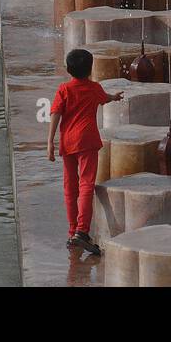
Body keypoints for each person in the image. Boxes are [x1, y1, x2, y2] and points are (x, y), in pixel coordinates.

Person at [47, 48, 123, 256]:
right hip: (87, 141)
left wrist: (50, 142)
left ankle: (73, 233)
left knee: (70, 187)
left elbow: (55, 114)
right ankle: (82, 230)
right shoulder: (94, 88)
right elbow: (103, 97)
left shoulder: (64, 89)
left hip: (68, 142)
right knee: (86, 184)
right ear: (90, 69)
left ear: (68, 70)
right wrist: (114, 98)